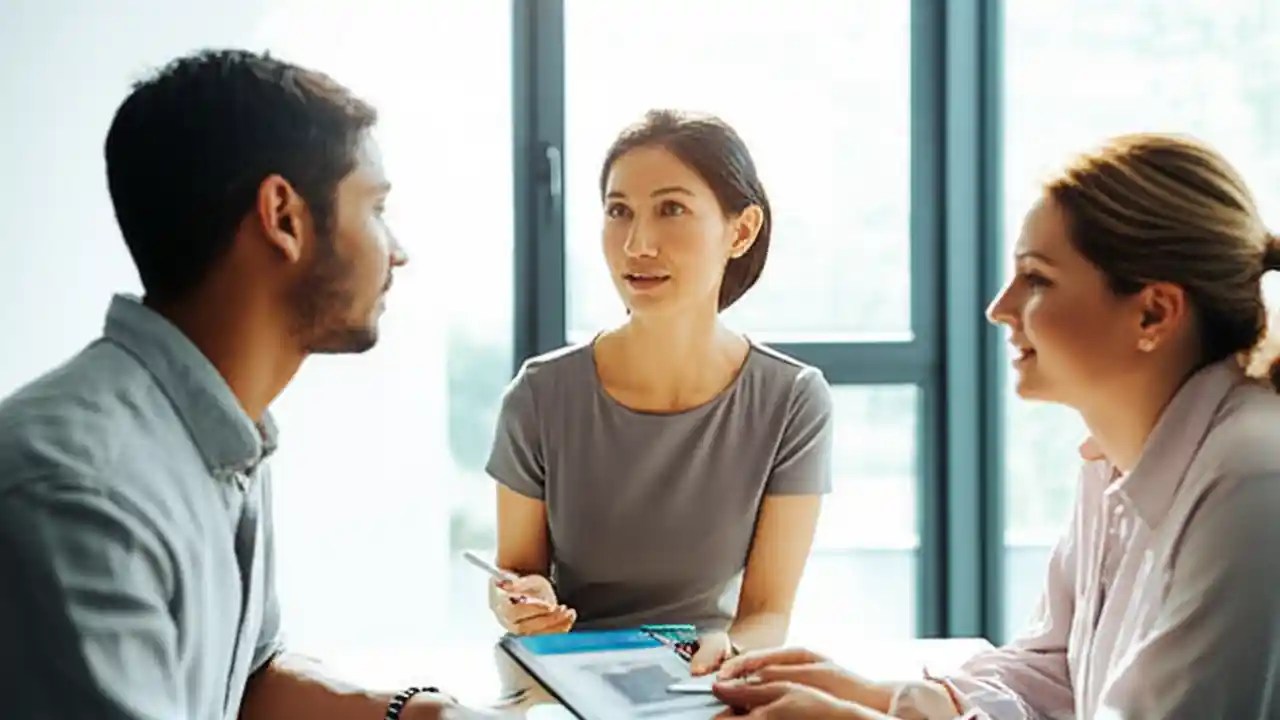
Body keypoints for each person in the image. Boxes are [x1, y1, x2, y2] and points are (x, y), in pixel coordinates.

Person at [711, 133, 1280, 718]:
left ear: (1153, 313)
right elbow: (1055, 676)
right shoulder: (1114, 459)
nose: (999, 308)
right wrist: (882, 697)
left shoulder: (1250, 483)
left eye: (1037, 279)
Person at [0, 49, 473, 720]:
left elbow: (247, 681)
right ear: (283, 217)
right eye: (376, 207)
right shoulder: (80, 490)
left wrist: (425, 715)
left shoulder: (220, 431)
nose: (397, 250)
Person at [485, 109, 834, 675]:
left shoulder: (792, 399)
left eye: (671, 209)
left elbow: (767, 614)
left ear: (741, 231)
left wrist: (727, 656)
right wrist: (519, 603)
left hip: (708, 681)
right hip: (564, 683)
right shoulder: (540, 395)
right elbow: (518, 576)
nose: (637, 244)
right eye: (618, 211)